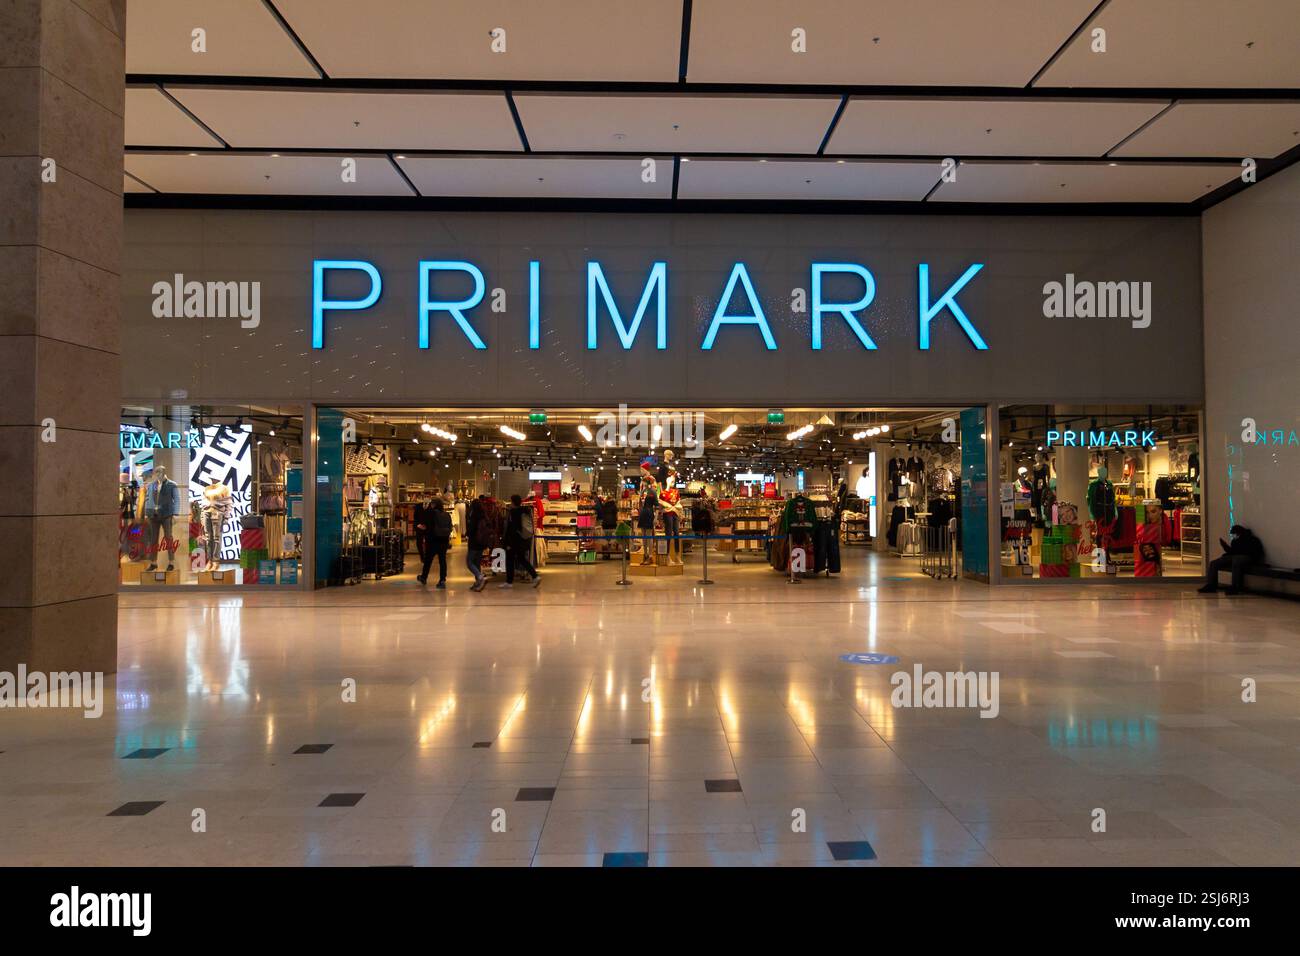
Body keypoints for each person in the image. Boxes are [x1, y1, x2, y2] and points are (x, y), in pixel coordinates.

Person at [1199, 525, 1265, 595]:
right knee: (1214, 563)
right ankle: (1211, 585)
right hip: (1235, 557)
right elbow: (1232, 552)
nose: (1232, 536)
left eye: (1233, 534)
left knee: (1236, 561)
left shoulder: (1252, 540)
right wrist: (1225, 547)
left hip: (1248, 557)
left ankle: (1235, 586)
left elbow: (1254, 552)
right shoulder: (1235, 541)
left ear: (1238, 533)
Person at [501, 493, 541, 588]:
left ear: (513, 502)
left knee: (510, 560)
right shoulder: (524, 511)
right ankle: (535, 576)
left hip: (513, 541)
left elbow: (512, 528)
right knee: (522, 559)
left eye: (511, 501)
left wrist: (508, 542)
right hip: (522, 539)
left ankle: (509, 582)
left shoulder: (513, 513)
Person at [416, 498, 451, 588]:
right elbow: (450, 527)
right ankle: (442, 580)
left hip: (432, 540)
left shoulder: (431, 513)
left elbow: (427, 526)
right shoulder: (447, 515)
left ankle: (424, 577)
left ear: (434, 505)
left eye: (432, 504)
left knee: (428, 560)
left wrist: (422, 529)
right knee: (442, 561)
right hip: (444, 541)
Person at [464, 494, 488, 592]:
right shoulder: (484, 515)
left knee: (469, 562)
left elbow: (471, 530)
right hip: (482, 542)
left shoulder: (474, 516)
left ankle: (480, 577)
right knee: (477, 562)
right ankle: (478, 582)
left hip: (474, 542)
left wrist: (467, 533)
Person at [599, 493, 619, 558]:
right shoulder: (614, 506)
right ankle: (611, 548)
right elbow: (616, 515)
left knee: (605, 539)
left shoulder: (604, 505)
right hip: (612, 524)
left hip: (605, 524)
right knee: (612, 538)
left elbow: (602, 514)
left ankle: (606, 554)